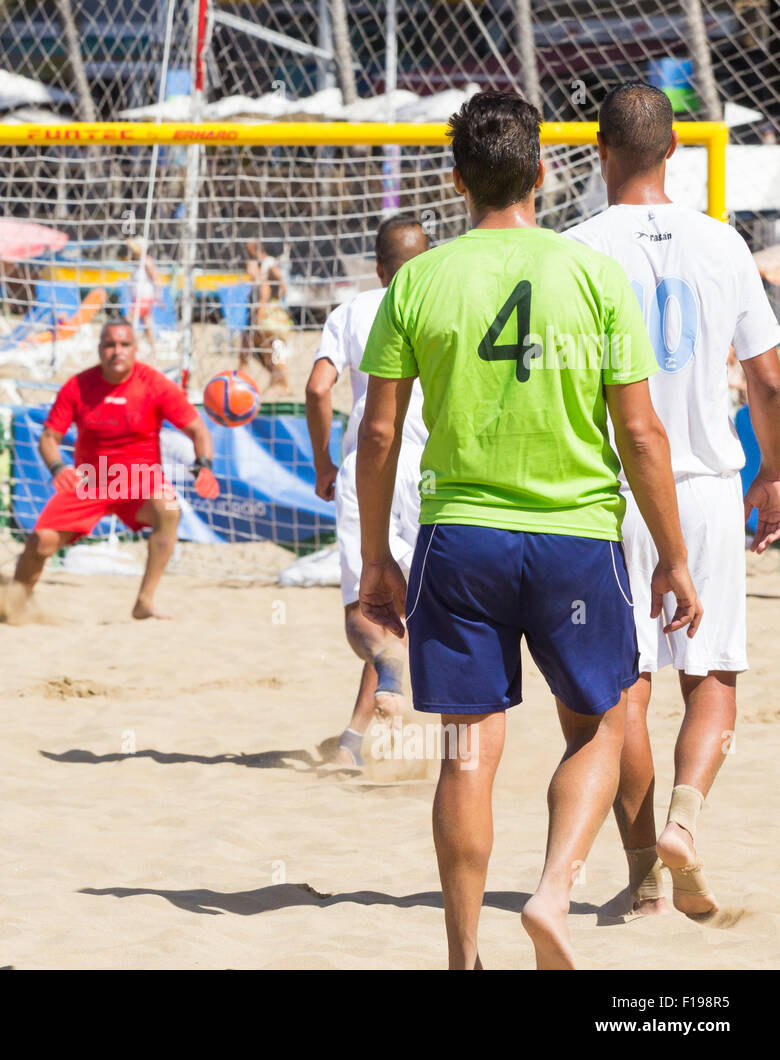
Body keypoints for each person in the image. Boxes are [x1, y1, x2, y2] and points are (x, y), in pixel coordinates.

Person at [355, 91, 702, 969]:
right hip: (573, 539)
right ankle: (553, 890)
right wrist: (674, 555)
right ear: (544, 172)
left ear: (456, 179)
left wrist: (374, 559)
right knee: (598, 730)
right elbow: (643, 433)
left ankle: (463, 956)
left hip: (458, 539)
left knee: (468, 751)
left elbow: (381, 433)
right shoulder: (592, 274)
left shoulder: (420, 279)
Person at [565, 81, 780, 920]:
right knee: (713, 672)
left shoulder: (576, 247)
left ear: (600, 151)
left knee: (627, 690)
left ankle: (644, 874)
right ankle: (688, 813)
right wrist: (770, 474)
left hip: (613, 486)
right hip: (706, 482)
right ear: (676, 153)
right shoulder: (724, 244)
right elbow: (766, 376)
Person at [306, 215, 430, 766]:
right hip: (437, 470)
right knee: (403, 609)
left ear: (378, 268)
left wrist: (323, 463)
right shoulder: (444, 304)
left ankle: (389, 677)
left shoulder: (352, 312)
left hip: (370, 466)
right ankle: (354, 743)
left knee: (366, 614)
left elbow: (316, 388)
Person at [11, 320, 218, 620]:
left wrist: (204, 467)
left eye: (124, 344)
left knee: (169, 509)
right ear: (99, 349)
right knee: (40, 542)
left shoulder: (155, 383)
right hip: (90, 481)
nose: (116, 351)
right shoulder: (78, 386)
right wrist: (57, 467)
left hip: (141, 481)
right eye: (110, 344)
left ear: (135, 349)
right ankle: (13, 603)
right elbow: (48, 437)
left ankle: (144, 601)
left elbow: (199, 430)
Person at [241, 238, 291, 392]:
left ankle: (281, 381)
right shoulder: (260, 267)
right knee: (259, 351)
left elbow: (271, 287)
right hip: (261, 315)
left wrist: (279, 291)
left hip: (266, 317)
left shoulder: (266, 265)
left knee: (265, 350)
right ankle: (278, 380)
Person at [126, 237, 162, 357]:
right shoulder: (139, 263)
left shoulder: (146, 262)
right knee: (147, 325)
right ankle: (154, 349)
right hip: (140, 298)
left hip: (143, 298)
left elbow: (155, 278)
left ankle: (134, 347)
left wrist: (158, 296)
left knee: (128, 321)